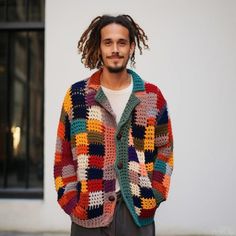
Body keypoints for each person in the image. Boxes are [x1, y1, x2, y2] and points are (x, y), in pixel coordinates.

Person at [54, 14, 174, 236]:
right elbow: (63, 155)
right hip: (88, 211)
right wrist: (70, 199)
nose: (115, 49)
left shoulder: (151, 97)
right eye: (108, 42)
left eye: (122, 42)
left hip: (137, 212)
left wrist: (155, 195)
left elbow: (165, 150)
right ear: (99, 47)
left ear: (131, 47)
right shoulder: (77, 96)